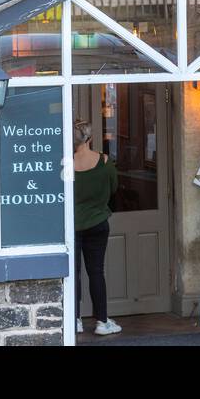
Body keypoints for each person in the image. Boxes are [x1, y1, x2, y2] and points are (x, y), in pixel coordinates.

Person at [73, 121, 120, 336]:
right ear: (90, 139)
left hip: (72, 226)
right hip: (98, 223)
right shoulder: (104, 162)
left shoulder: (66, 163)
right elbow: (114, 188)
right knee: (96, 272)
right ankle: (102, 321)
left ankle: (75, 320)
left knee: (73, 274)